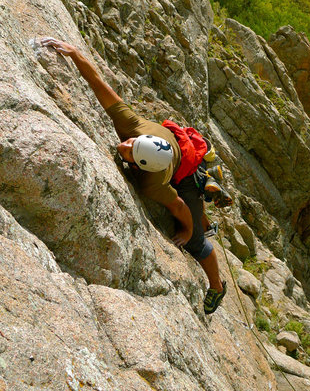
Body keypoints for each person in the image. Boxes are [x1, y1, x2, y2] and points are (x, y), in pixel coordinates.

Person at [40, 37, 227, 314]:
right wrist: (76, 54)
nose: (124, 145)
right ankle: (204, 215)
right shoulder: (136, 129)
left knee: (197, 242)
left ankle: (217, 286)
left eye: (129, 152)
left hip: (184, 172)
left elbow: (178, 205)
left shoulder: (154, 184)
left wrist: (187, 230)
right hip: (177, 146)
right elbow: (104, 91)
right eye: (130, 144)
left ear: (141, 166)